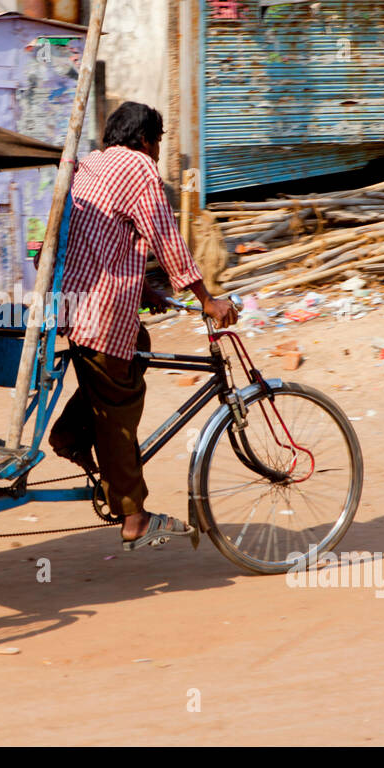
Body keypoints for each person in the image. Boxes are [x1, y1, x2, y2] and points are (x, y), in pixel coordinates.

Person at [49, 101, 237, 550]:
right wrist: (207, 300)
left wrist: (147, 290)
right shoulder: (139, 168)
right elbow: (165, 238)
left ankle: (73, 434)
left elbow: (104, 236)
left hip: (76, 304)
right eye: (159, 141)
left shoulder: (92, 164)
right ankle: (133, 515)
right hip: (101, 308)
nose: (157, 151)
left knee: (136, 346)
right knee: (119, 409)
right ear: (145, 139)